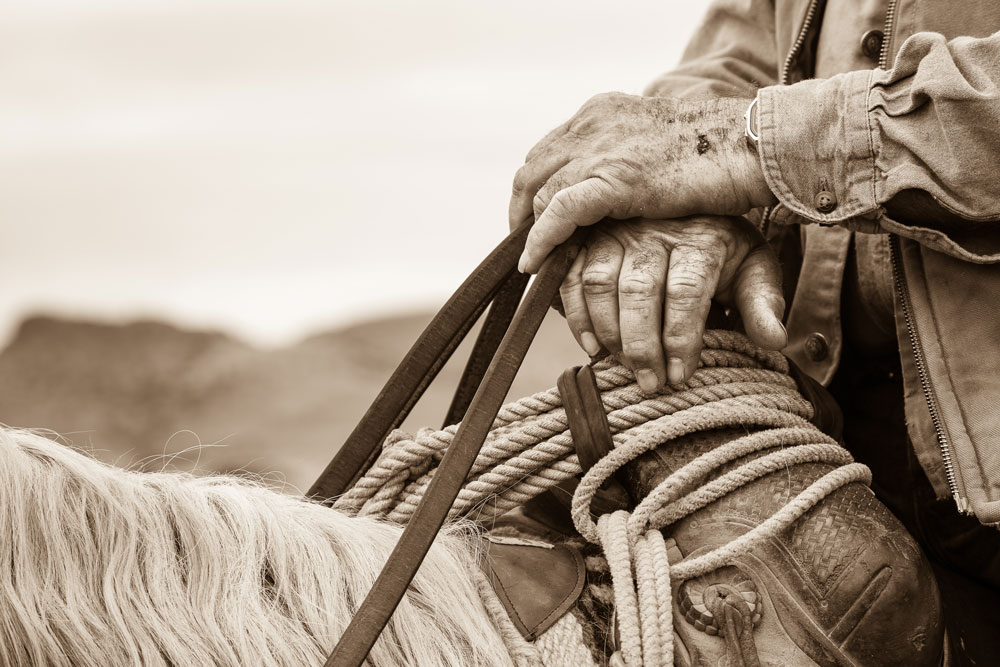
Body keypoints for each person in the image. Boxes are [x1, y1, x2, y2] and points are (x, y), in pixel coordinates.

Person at [509, 1, 1000, 663]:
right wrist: (669, 194)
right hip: (832, 425)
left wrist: (741, 146)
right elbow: (739, 52)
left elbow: (728, 134)